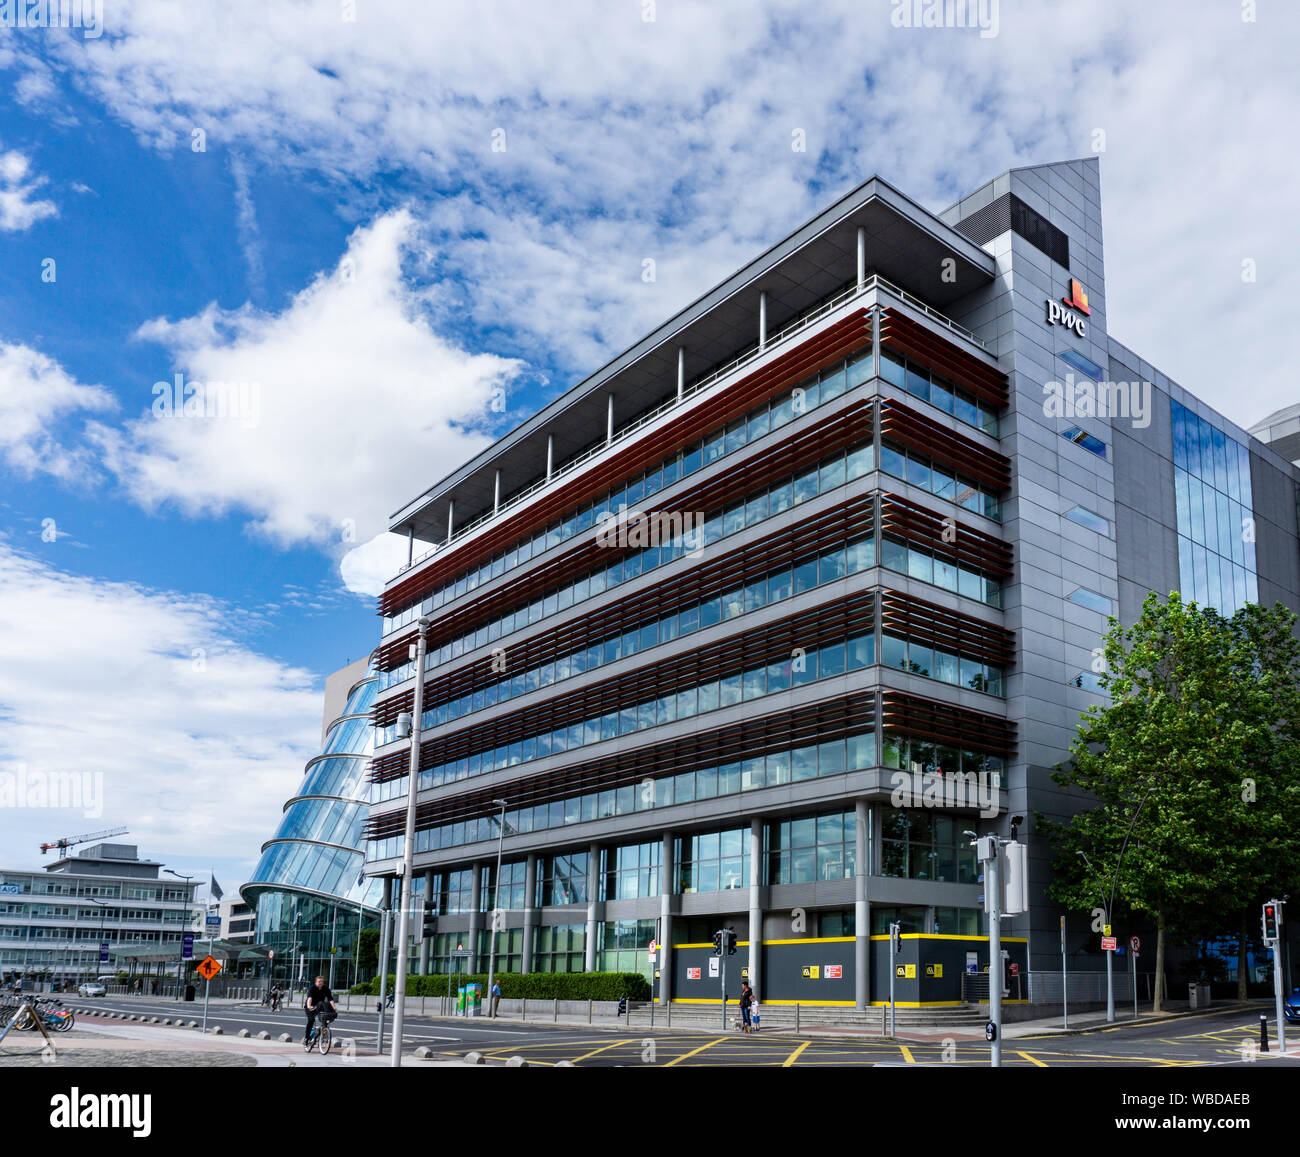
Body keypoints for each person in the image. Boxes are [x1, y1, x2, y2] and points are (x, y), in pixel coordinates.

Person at [304, 975, 337, 1043]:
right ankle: (306, 1038)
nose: (320, 983)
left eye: (322, 981)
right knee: (311, 1020)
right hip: (311, 1007)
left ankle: (322, 1031)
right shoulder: (312, 988)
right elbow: (310, 997)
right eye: (319, 981)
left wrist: (334, 1007)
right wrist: (309, 1006)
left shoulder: (326, 988)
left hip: (319, 1006)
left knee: (325, 1017)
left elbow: (330, 999)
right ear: (316, 982)